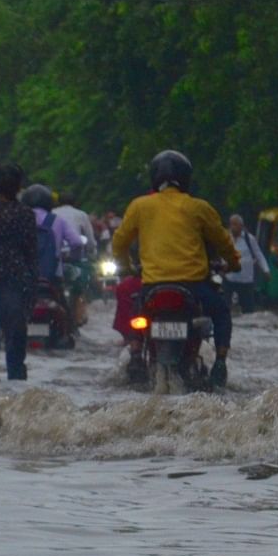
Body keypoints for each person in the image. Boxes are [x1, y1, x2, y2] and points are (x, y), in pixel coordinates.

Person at [111, 150, 242, 387]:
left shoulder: (140, 205)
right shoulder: (199, 207)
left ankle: (136, 352)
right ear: (186, 178)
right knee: (221, 313)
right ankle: (220, 363)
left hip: (153, 286)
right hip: (193, 287)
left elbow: (119, 243)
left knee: (135, 309)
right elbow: (223, 242)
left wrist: (127, 268)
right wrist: (233, 264)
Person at [0, 164, 39, 381]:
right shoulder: (26, 214)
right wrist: (33, 287)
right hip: (18, 282)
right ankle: (16, 393)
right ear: (19, 187)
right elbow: (31, 253)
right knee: (16, 342)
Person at [21, 184, 89, 348]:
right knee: (65, 312)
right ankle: (70, 331)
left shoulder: (19, 218)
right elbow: (77, 243)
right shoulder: (57, 221)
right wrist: (70, 257)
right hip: (52, 278)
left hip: (23, 278)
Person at [225, 214, 268, 315]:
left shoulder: (250, 239)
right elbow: (221, 253)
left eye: (235, 224)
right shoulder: (226, 238)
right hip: (229, 278)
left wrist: (266, 270)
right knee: (225, 309)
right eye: (231, 224)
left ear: (241, 226)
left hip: (245, 280)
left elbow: (258, 255)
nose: (232, 227)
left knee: (248, 311)